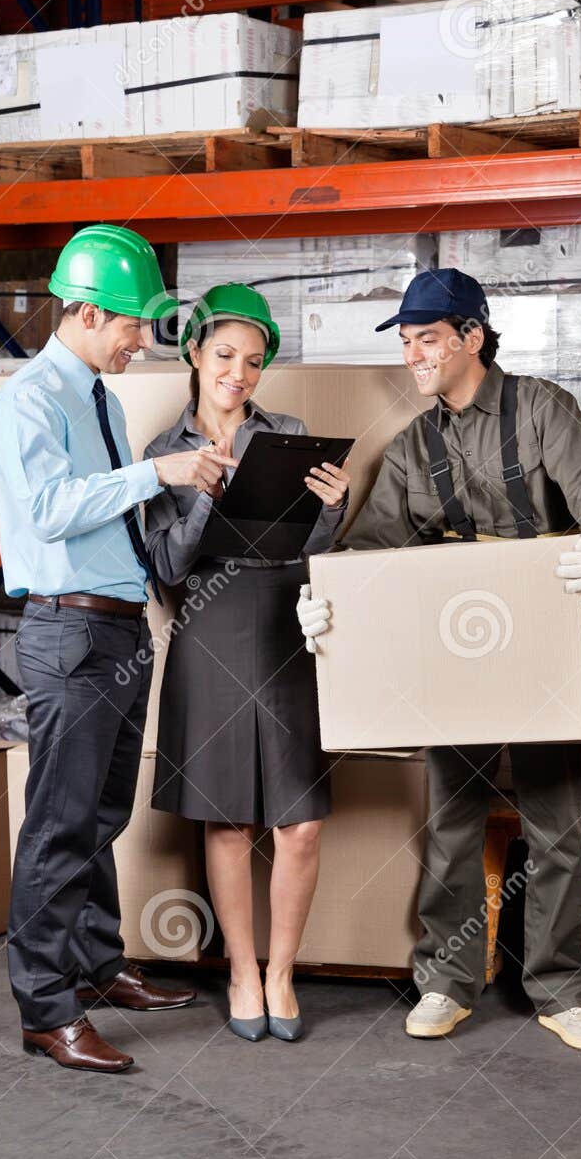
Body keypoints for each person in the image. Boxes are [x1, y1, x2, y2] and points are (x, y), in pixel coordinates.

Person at [297, 268, 581, 1051]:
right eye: (408, 342)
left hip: (542, 637)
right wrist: (329, 600)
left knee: (554, 820)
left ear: (471, 338)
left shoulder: (541, 410)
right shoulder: (416, 443)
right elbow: (373, 548)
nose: (414, 356)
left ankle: (559, 987)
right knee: (452, 816)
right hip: (455, 645)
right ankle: (445, 982)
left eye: (427, 340)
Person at [0, 225, 235, 1073]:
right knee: (59, 826)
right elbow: (52, 510)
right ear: (88, 312)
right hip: (69, 631)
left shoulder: (94, 393)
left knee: (100, 815)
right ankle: (45, 1008)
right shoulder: (27, 397)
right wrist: (158, 475)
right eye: (132, 324)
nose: (142, 340)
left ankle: (94, 967)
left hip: (117, 626)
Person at [144, 284, 350, 1043]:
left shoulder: (289, 432)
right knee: (228, 820)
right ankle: (239, 971)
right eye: (225, 355)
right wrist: (202, 489)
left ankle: (281, 973)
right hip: (209, 627)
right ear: (194, 354)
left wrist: (332, 510)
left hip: (286, 627)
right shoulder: (163, 452)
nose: (239, 372)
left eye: (254, 361)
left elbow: (313, 553)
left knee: (298, 824)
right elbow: (166, 566)